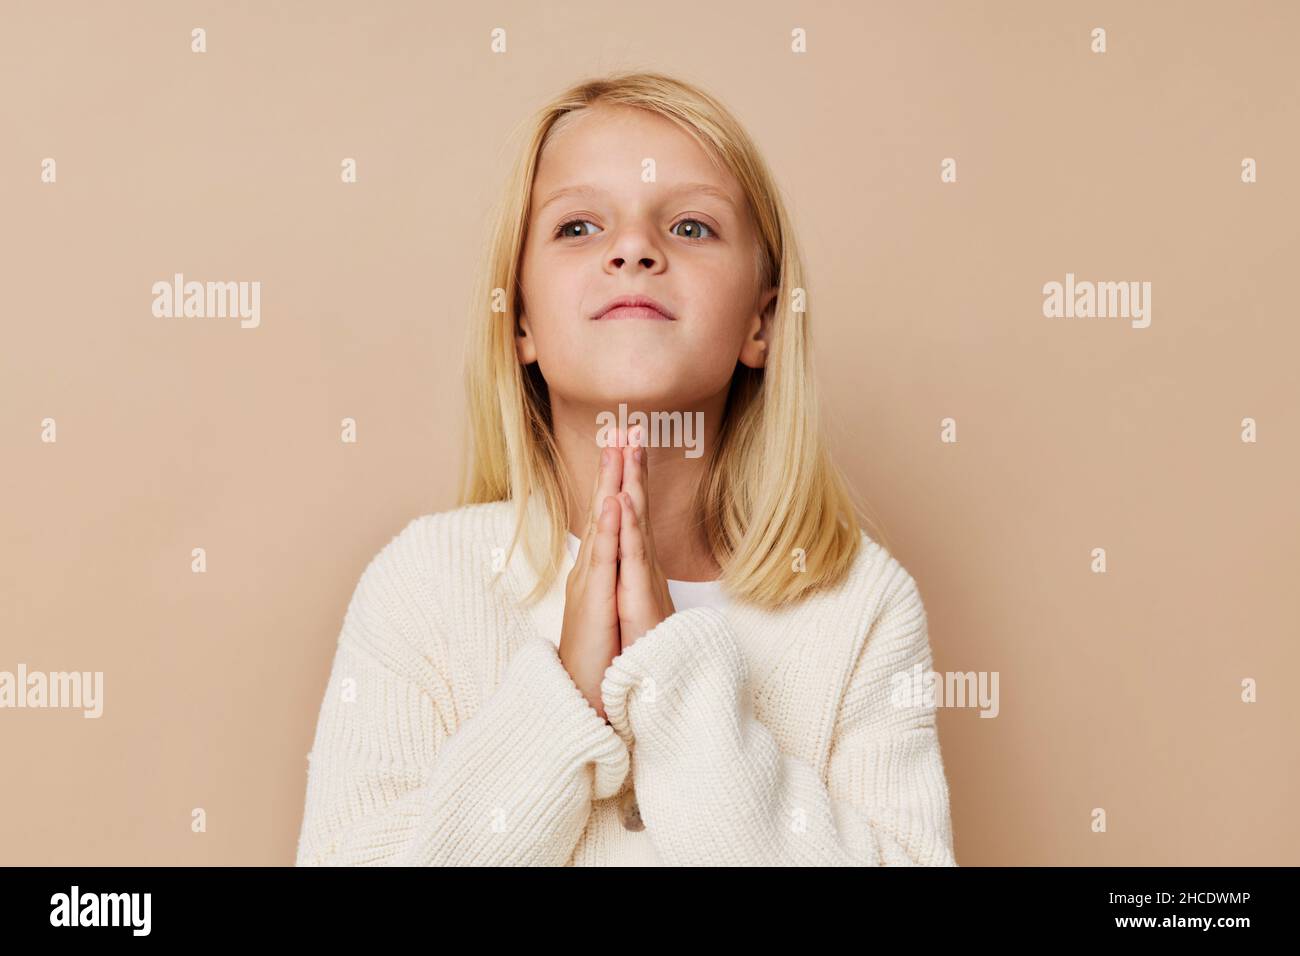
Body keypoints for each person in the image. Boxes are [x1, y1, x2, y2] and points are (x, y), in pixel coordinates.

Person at [294, 70, 957, 866]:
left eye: (689, 227)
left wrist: (678, 687)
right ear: (521, 322)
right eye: (578, 227)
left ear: (763, 322)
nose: (634, 249)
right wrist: (561, 703)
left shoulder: (861, 607)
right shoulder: (422, 585)